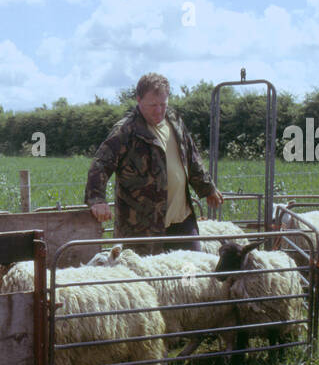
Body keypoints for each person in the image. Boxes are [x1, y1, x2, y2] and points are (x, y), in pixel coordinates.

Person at [84, 73, 223, 253]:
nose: (159, 111)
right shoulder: (126, 131)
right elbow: (100, 164)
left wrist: (207, 188)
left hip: (182, 220)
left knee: (191, 276)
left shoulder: (175, 122)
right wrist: (97, 199)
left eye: (163, 104)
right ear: (139, 99)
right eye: (153, 105)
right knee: (146, 279)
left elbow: (191, 157)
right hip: (142, 229)